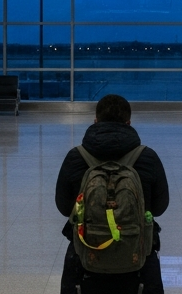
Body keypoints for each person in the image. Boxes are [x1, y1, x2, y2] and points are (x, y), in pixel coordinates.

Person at [55, 94, 169, 252]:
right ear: (129, 124)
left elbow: (64, 207)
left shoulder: (75, 157)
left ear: (95, 121)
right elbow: (159, 207)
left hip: (85, 256)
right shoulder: (147, 157)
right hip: (137, 255)